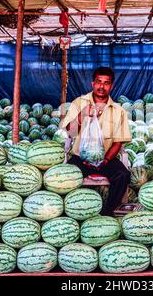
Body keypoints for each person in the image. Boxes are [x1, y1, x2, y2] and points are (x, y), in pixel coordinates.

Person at [61, 67, 132, 216]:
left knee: (123, 175)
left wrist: (105, 161)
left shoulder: (118, 111)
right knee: (66, 176)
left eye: (106, 83)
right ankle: (73, 212)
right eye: (99, 82)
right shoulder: (78, 103)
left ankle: (108, 212)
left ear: (111, 86)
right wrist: (83, 114)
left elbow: (118, 143)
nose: (102, 86)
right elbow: (69, 132)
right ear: (93, 83)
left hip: (106, 160)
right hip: (80, 158)